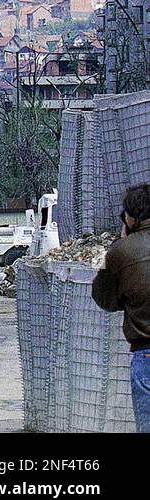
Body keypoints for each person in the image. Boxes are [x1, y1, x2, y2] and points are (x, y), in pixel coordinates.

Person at [92, 183, 150, 433]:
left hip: (146, 352)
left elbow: (106, 299)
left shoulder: (121, 251)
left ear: (130, 215)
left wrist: (120, 245)